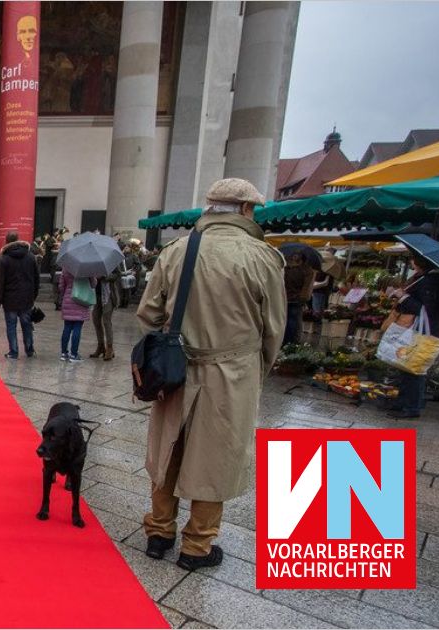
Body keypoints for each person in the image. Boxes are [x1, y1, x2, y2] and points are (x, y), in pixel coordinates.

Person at [136, 178, 285, 571]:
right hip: (232, 371)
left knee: (168, 448)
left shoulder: (177, 251)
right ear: (247, 210)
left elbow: (148, 314)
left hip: (175, 368)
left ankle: (158, 532)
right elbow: (274, 329)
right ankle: (197, 546)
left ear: (210, 207)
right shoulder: (262, 257)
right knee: (216, 456)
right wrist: (256, 370)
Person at [384, 254, 439, 419]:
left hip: (424, 331)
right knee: (408, 368)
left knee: (414, 371)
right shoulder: (437, 279)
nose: (411, 262)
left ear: (420, 262)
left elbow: (424, 309)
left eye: (413, 259)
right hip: (427, 330)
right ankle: (403, 403)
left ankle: (411, 407)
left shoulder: (432, 281)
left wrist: (402, 297)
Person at [0, 231, 39, 359]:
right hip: (26, 298)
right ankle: (29, 350)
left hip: (10, 299)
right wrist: (34, 295)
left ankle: (13, 352)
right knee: (27, 325)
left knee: (11, 326)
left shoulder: (4, 259)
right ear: (18, 240)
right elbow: (36, 278)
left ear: (6, 242)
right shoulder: (30, 256)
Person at [283, 252, 314, 346]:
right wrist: (303, 298)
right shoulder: (307, 270)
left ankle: (284, 341)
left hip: (285, 298)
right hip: (297, 299)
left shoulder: (285, 269)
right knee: (294, 321)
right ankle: (292, 343)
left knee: (285, 320)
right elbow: (306, 287)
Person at [59, 269, 91, 361]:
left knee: (67, 327)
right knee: (77, 327)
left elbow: (61, 286)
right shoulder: (87, 268)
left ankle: (64, 353)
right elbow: (93, 284)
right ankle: (74, 354)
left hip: (68, 299)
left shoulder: (66, 267)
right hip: (81, 299)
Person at [89, 267, 117, 361]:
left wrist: (105, 276)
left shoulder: (111, 259)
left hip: (108, 295)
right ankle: (101, 346)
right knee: (96, 319)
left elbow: (117, 275)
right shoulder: (92, 261)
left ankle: (110, 348)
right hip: (96, 294)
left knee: (106, 321)